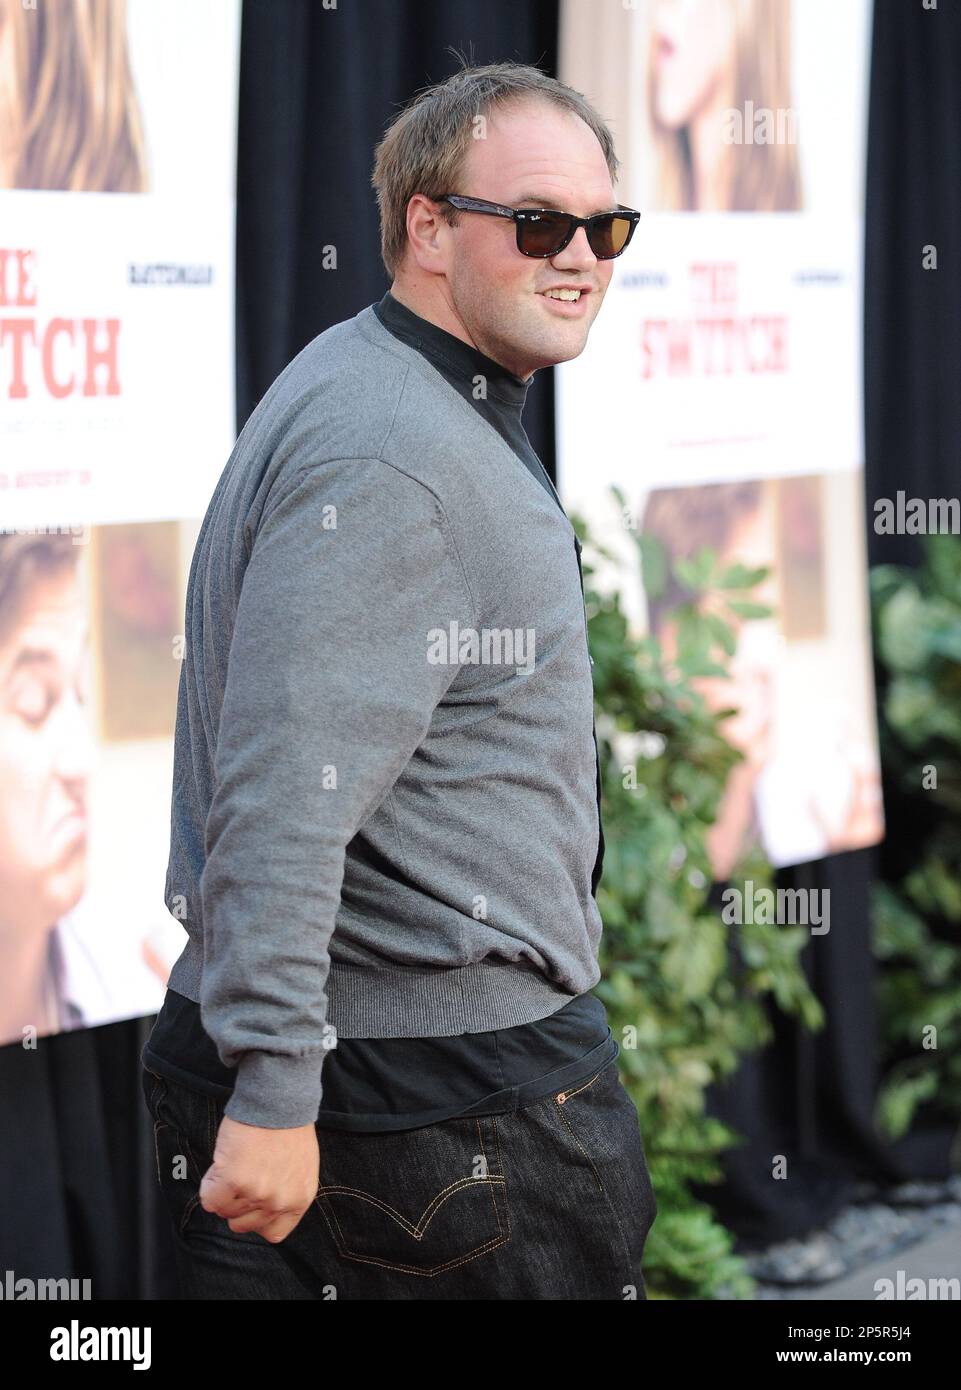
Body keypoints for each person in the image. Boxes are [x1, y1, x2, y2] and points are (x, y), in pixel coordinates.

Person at [141, 59, 657, 1300]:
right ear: (427, 227)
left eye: (607, 225)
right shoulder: (399, 455)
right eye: (538, 222)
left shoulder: (382, 380)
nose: (580, 255)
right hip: (418, 1106)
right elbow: (281, 789)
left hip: (390, 1084)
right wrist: (273, 1085)